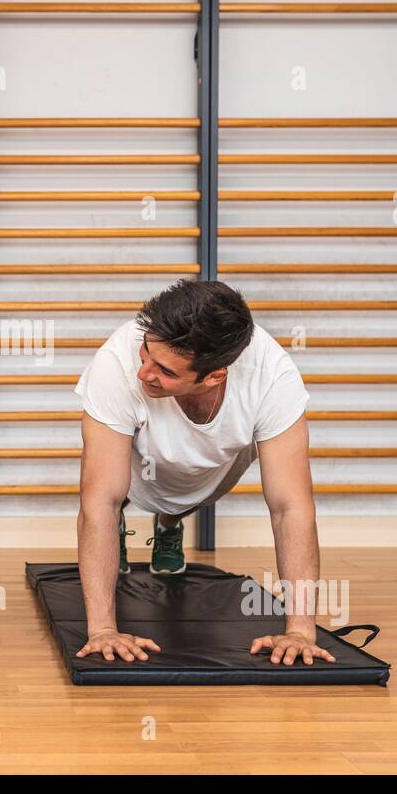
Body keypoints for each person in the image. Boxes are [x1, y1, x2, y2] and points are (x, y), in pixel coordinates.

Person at [74, 279, 336, 667]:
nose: (144, 373)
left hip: (216, 464)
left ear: (215, 375)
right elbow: (100, 499)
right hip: (138, 454)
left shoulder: (272, 377)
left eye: (163, 369)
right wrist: (102, 630)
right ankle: (123, 533)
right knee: (113, 493)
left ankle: (168, 523)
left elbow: (290, 506)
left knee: (182, 496)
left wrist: (300, 630)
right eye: (145, 352)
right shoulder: (117, 362)